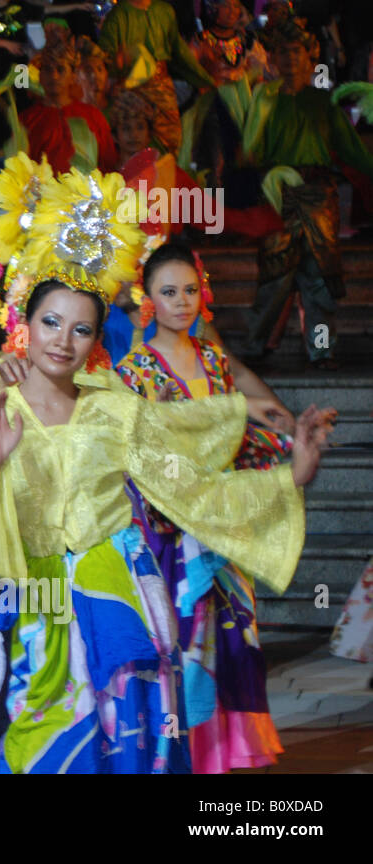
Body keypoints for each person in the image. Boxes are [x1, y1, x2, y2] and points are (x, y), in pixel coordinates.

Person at [0, 159, 335, 774]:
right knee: (41, 739)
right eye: (50, 322)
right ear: (25, 323)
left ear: (97, 341)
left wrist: (292, 474)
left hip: (119, 590)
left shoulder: (114, 406)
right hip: (37, 598)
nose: (63, 340)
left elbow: (190, 482)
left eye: (81, 329)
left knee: (127, 735)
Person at [116, 241, 296, 772]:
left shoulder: (215, 361)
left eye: (190, 290)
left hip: (224, 525)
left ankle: (224, 752)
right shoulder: (134, 371)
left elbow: (232, 438)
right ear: (147, 299)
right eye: (168, 291)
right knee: (185, 640)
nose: (181, 301)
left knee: (233, 639)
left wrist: (284, 437)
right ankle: (184, 754)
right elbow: (135, 456)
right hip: (171, 533)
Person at [235, 17, 373, 369]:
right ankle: (254, 347)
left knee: (320, 284)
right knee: (273, 280)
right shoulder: (262, 102)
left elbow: (354, 152)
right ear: (273, 58)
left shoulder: (323, 103)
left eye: (297, 51)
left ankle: (322, 350)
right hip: (277, 198)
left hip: (318, 198)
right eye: (283, 51)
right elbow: (248, 154)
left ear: (310, 58)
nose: (290, 58)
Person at [99, 0, 214, 154]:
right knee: (137, 147)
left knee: (170, 146)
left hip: (162, 88)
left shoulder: (164, 11)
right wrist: (120, 62)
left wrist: (205, 81)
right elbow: (106, 59)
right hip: (131, 92)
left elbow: (179, 52)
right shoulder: (118, 16)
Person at [21, 34, 117, 174]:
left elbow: (108, 165)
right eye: (47, 69)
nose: (54, 76)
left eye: (60, 69)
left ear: (73, 76)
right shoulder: (27, 120)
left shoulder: (93, 116)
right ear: (40, 76)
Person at [194, 0, 269, 87]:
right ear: (213, 9)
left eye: (235, 5)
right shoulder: (201, 41)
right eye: (225, 6)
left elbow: (260, 74)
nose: (232, 11)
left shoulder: (248, 42)